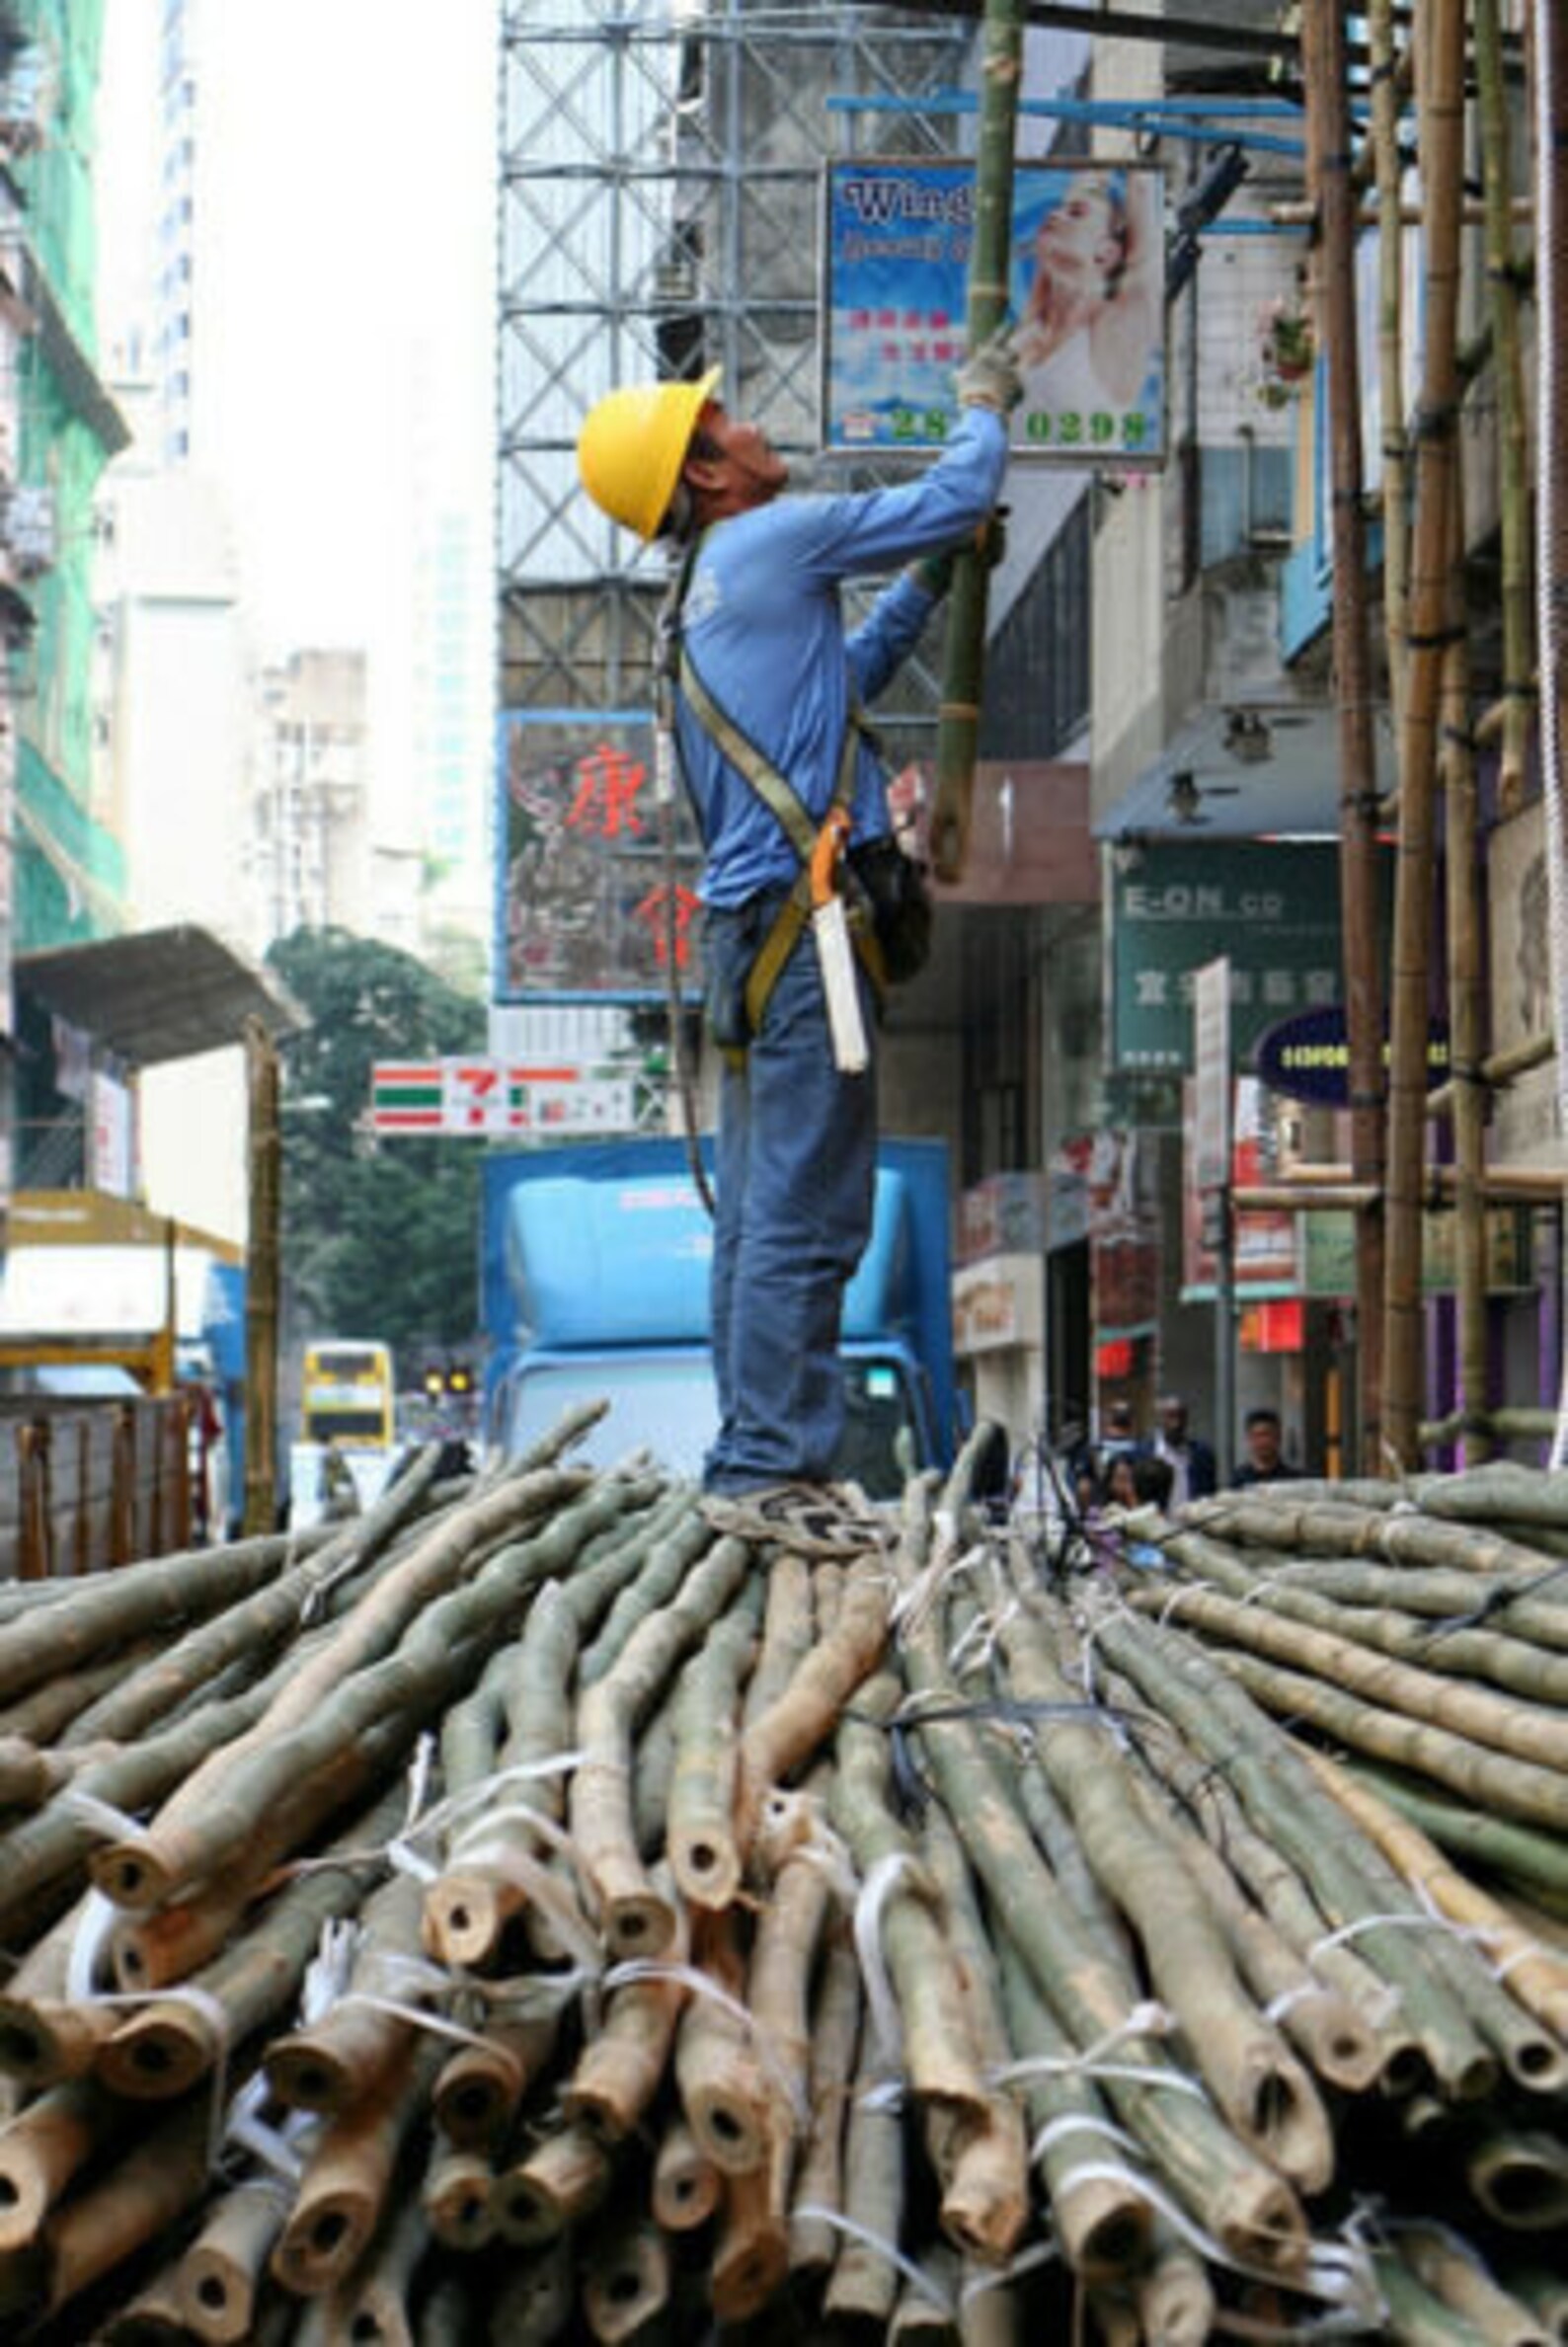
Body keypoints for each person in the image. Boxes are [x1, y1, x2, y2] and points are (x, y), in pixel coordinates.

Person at [576, 336, 1020, 1550]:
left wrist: (930, 582)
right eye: (729, 421)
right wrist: (981, 403)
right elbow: (957, 488)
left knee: (767, 1209)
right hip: (800, 924)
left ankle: (756, 1455)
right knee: (802, 1212)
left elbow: (846, 679)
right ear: (707, 473)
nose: (755, 426)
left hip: (762, 930)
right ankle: (767, 1459)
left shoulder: (714, 588)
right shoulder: (770, 540)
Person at [1014, 170, 1159, 416]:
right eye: (1058, 208)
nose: (1054, 214)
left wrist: (1134, 175)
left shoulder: (1116, 322)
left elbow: (1142, 259)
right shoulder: (1035, 327)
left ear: (1107, 252)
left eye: (1076, 212)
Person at [1145, 1392, 1217, 1508]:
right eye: (1170, 1416)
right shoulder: (1145, 1454)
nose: (1176, 1423)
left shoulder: (1202, 1455)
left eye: (1181, 1416)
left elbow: (1209, 1495)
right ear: (1160, 1419)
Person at [1231, 1406, 1295, 1488]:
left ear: (1278, 1437)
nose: (1263, 1441)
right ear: (1249, 1439)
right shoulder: (1239, 1480)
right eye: (1257, 1436)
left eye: (1267, 1435)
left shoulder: (1291, 1480)